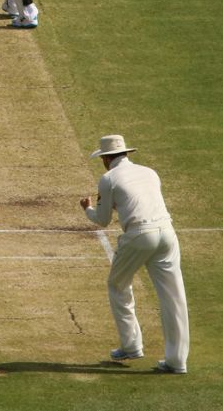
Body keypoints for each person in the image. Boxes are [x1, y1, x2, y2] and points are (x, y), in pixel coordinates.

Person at [81, 134, 190, 374]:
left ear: (106, 158)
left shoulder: (108, 178)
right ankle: (177, 361)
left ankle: (131, 346)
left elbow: (102, 220)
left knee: (118, 284)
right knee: (174, 297)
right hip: (167, 234)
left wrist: (87, 209)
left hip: (140, 235)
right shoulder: (150, 172)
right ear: (126, 154)